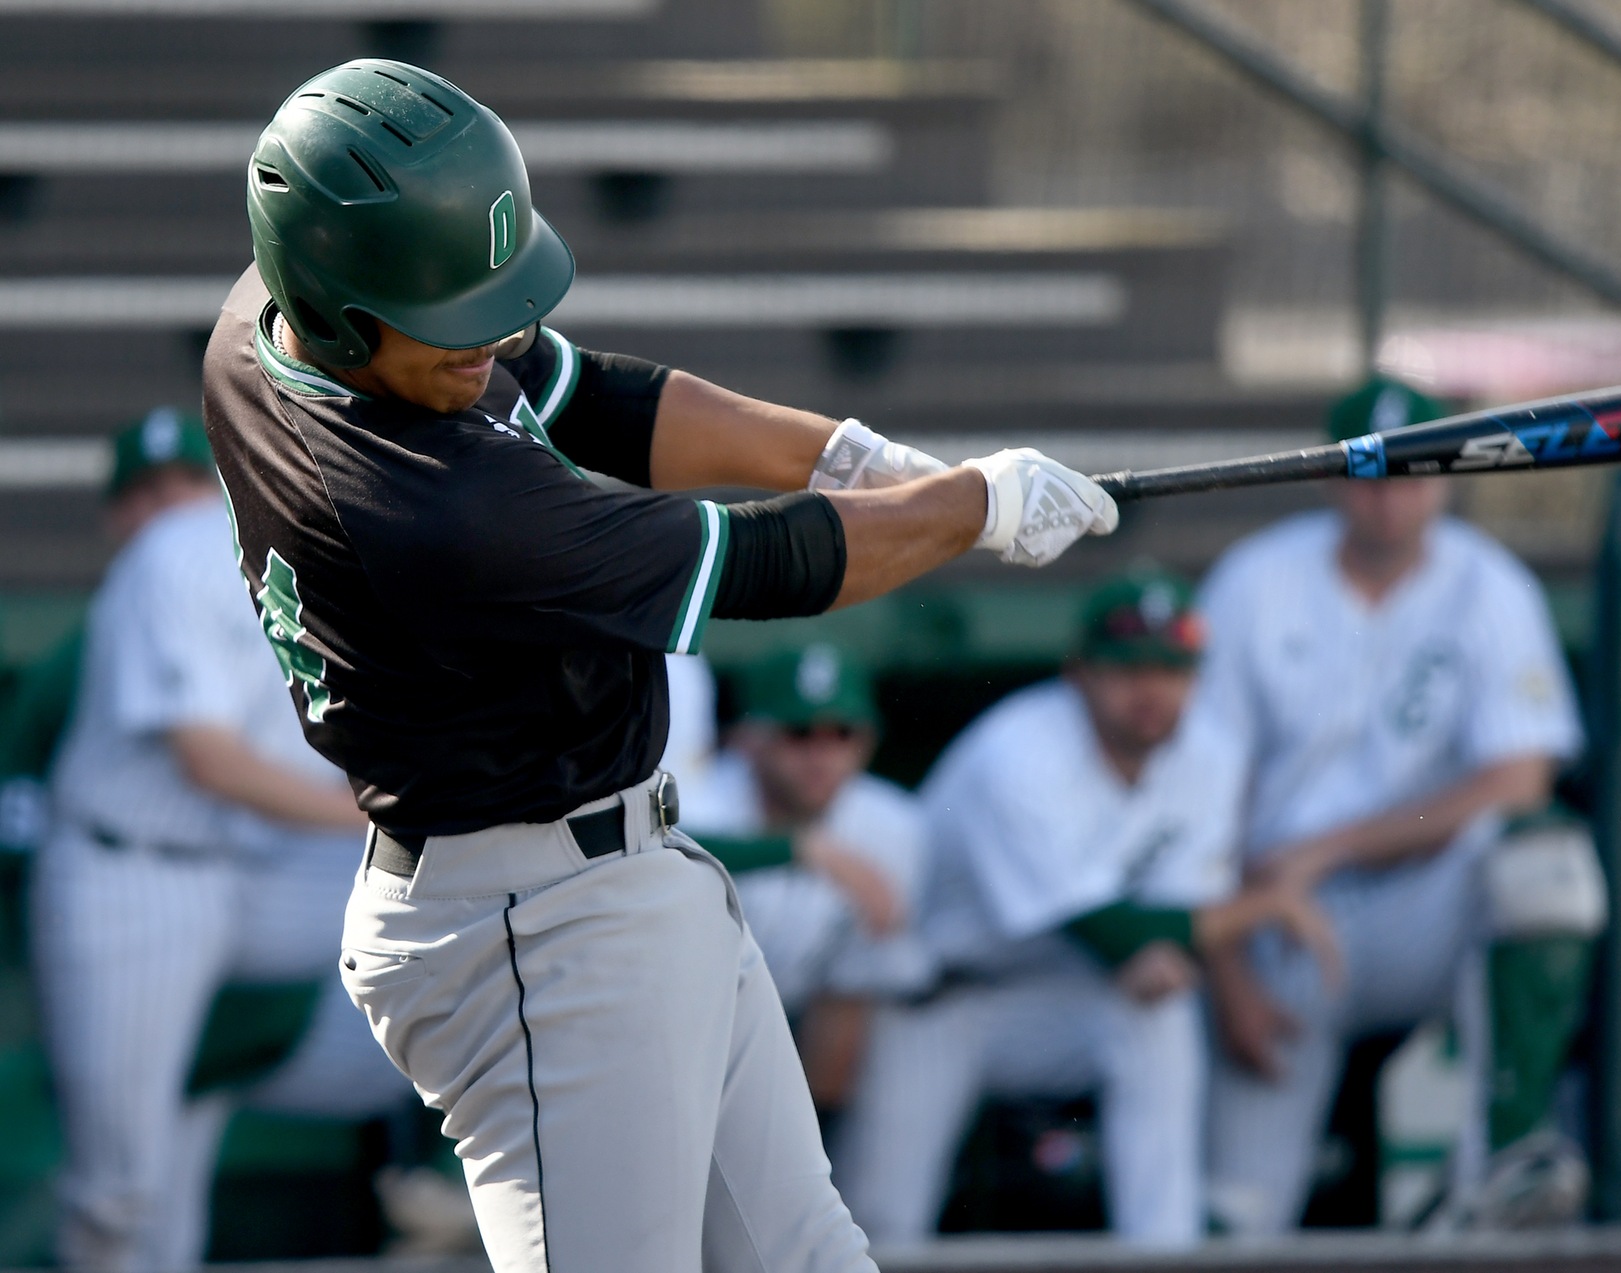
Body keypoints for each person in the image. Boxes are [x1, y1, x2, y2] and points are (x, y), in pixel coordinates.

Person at [205, 59, 1118, 1273]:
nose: (498, 338)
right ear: (336, 307)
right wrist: (969, 507)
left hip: (607, 876)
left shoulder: (269, 315)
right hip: (534, 924)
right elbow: (763, 564)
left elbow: (597, 399)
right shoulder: (435, 511)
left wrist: (847, 455)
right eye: (457, 321)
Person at [1197, 376, 1599, 1234]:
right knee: (1236, 1216)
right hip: (1278, 922)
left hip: (1425, 901)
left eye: (1413, 473)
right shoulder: (1254, 581)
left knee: (1545, 863)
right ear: (1327, 479)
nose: (1390, 499)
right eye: (1370, 475)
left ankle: (1500, 1158)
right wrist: (1225, 968)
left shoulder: (1489, 585)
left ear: (1448, 478)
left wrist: (1338, 845)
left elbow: (1517, 779)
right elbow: (1201, 793)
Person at [833, 571, 1335, 1247]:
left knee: (1158, 1010)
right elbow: (1111, 926)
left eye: (1171, 669)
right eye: (1127, 668)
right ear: (1080, 672)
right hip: (934, 999)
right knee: (883, 1227)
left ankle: (1165, 1250)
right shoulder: (1017, 754)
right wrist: (1266, 905)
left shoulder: (1209, 755)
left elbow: (1170, 920)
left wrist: (1179, 960)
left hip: (1063, 992)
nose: (1151, 690)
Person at [30, 409, 413, 1272]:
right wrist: (397, 806)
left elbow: (313, 758)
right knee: (124, 1188)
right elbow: (210, 761)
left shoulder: (304, 561)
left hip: (244, 877)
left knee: (485, 899)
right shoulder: (178, 552)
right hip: (130, 876)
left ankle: (432, 1150)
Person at [686, 644, 930, 1110]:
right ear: (749, 739)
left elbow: (851, 994)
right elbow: (652, 850)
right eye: (799, 734)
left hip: (803, 1018)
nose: (821, 755)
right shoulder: (702, 798)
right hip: (691, 1025)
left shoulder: (892, 825)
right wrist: (799, 849)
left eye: (841, 734)